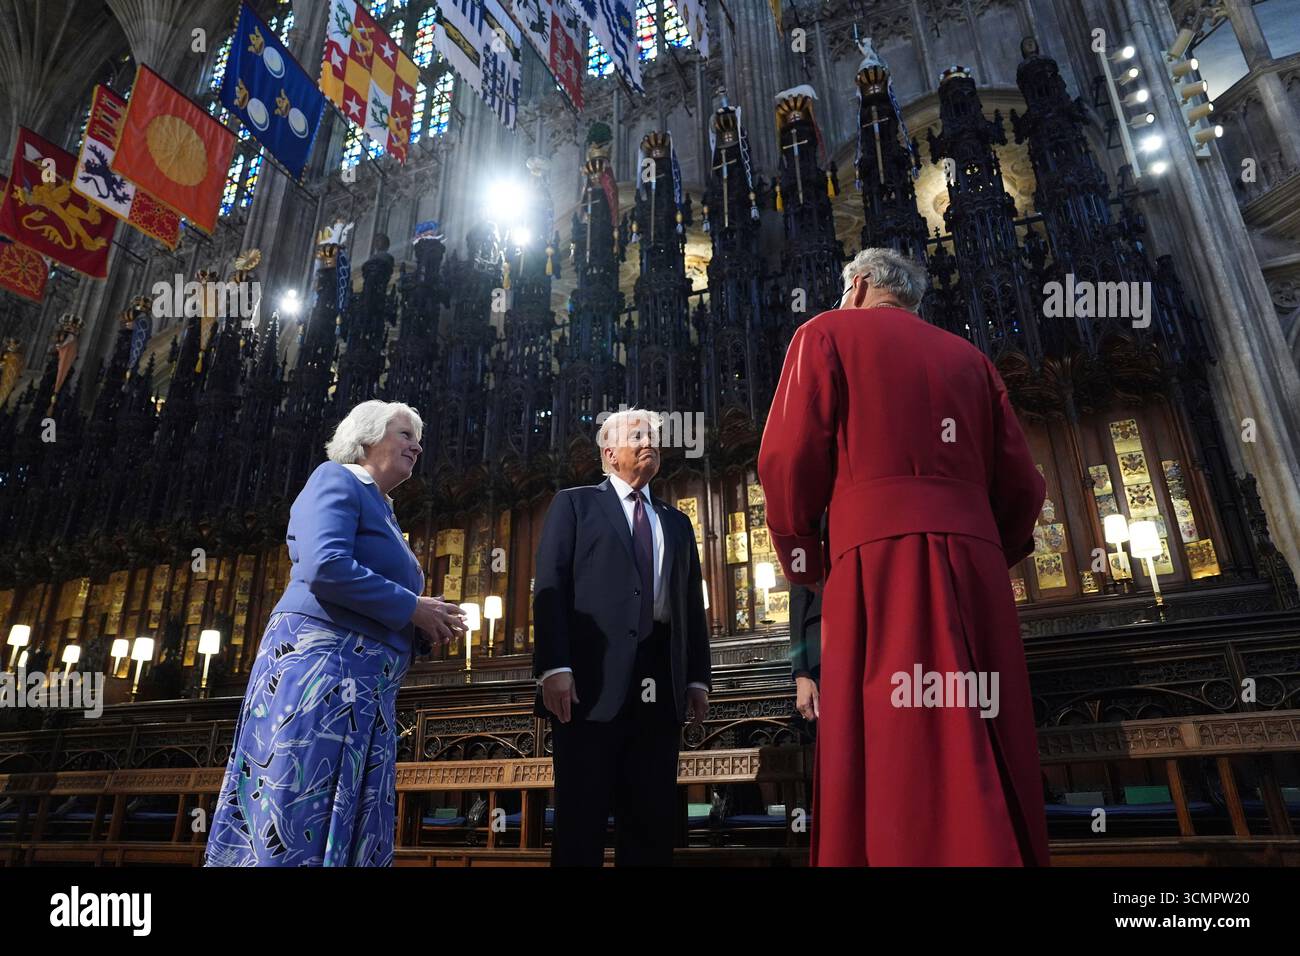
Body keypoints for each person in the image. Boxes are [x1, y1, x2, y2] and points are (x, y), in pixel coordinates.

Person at [758, 247, 1049, 866]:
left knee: (896, 742)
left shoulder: (825, 334)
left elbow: (785, 462)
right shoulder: (971, 360)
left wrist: (809, 559)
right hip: (975, 567)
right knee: (979, 719)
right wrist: (983, 549)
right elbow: (1026, 486)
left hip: (875, 561)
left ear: (858, 285)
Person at [205, 400, 467, 867]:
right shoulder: (337, 478)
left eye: (417, 437)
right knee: (299, 793)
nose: (417, 445)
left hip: (365, 687)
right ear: (366, 438)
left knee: (348, 802)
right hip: (321, 671)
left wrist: (423, 626)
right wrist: (412, 607)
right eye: (405, 434)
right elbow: (326, 566)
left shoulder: (384, 511)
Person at [533, 407, 711, 866]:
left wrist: (697, 678)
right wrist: (554, 666)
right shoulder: (574, 504)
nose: (650, 440)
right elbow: (550, 588)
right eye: (637, 435)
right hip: (589, 685)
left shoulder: (676, 521)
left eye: (653, 434)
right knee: (580, 820)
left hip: (659, 680)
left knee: (650, 821)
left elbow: (692, 605)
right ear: (609, 452)